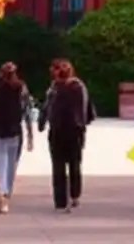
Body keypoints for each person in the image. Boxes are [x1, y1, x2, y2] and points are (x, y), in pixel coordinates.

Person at [0, 62, 35, 214]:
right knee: (11, 167)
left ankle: (2, 196)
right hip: (15, 131)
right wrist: (30, 135)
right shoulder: (21, 88)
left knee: (1, 165)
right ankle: (6, 193)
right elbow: (27, 112)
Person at [38, 59, 91, 213]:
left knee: (58, 166)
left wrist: (41, 123)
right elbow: (86, 108)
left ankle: (61, 201)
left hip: (58, 131)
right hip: (76, 131)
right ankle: (75, 195)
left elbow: (47, 108)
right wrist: (83, 124)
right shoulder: (79, 87)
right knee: (75, 164)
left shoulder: (54, 88)